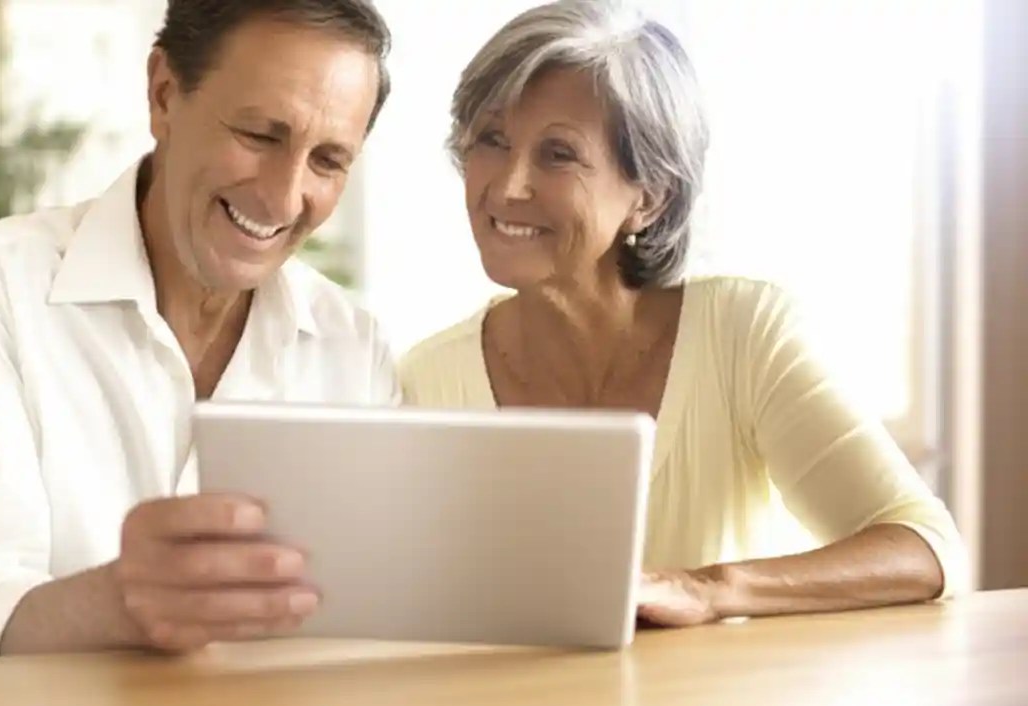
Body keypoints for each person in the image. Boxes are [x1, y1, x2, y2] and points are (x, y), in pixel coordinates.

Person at [399, 0, 968, 626]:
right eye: (492, 140)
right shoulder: (425, 382)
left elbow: (925, 550)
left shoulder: (744, 335)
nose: (508, 186)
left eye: (558, 154)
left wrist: (707, 589)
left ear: (648, 198)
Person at [0, 0, 396, 662]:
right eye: (259, 135)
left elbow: (368, 629)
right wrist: (123, 600)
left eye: (328, 160)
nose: (282, 198)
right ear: (164, 94)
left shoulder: (353, 349)